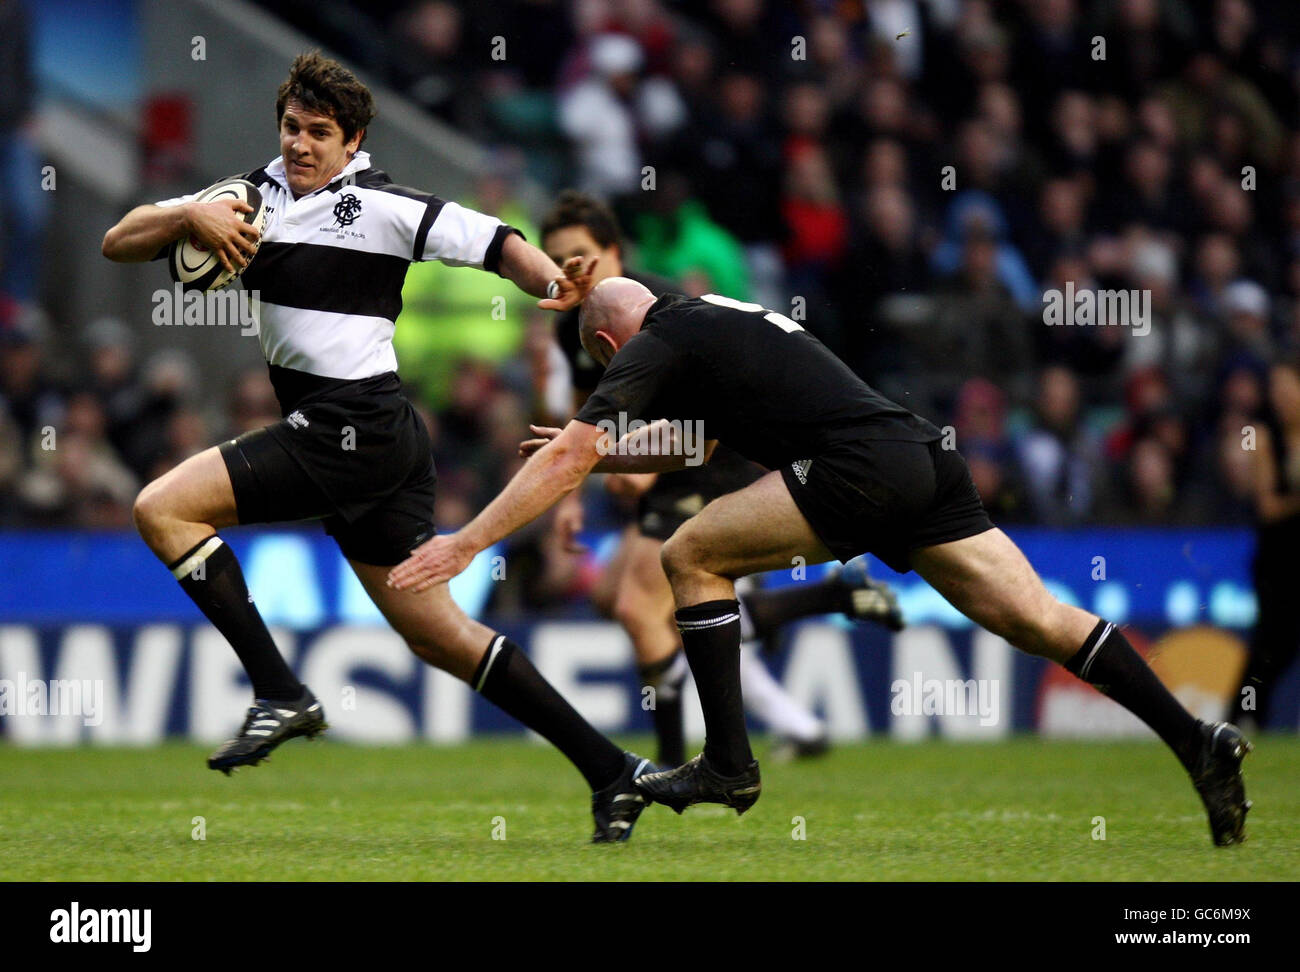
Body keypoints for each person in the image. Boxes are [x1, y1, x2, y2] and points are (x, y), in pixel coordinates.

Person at [389, 277, 1254, 848]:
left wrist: (468, 542)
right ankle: (1198, 741)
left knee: (689, 554)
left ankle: (729, 765)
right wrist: (608, 456)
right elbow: (698, 446)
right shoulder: (711, 318)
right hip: (918, 455)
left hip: (855, 469)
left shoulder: (651, 346)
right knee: (1041, 621)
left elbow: (570, 455)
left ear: (611, 350)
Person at [101, 53, 655, 843]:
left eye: (319, 133)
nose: (300, 144)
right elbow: (118, 241)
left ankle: (279, 691)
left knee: (162, 510)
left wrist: (548, 285)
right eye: (292, 127)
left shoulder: (384, 206)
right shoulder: (246, 198)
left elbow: (497, 242)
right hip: (370, 440)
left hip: (351, 426)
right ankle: (612, 771)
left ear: (352, 141)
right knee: (438, 635)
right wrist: (190, 215)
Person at [538, 189, 902, 766]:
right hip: (646, 458)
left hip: (702, 458)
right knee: (619, 600)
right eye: (557, 260)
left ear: (614, 250)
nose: (570, 269)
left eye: (580, 255)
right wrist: (572, 495)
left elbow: (700, 405)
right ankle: (827, 618)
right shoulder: (574, 326)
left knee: (639, 608)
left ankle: (662, 769)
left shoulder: (658, 303)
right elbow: (585, 411)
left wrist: (634, 463)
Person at [1231, 358, 1300, 729]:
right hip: (1277, 559)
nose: (1281, 397)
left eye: (1288, 388)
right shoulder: (1261, 436)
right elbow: (1268, 507)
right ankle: (1242, 715)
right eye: (1276, 389)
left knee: (1283, 645)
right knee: (1270, 643)